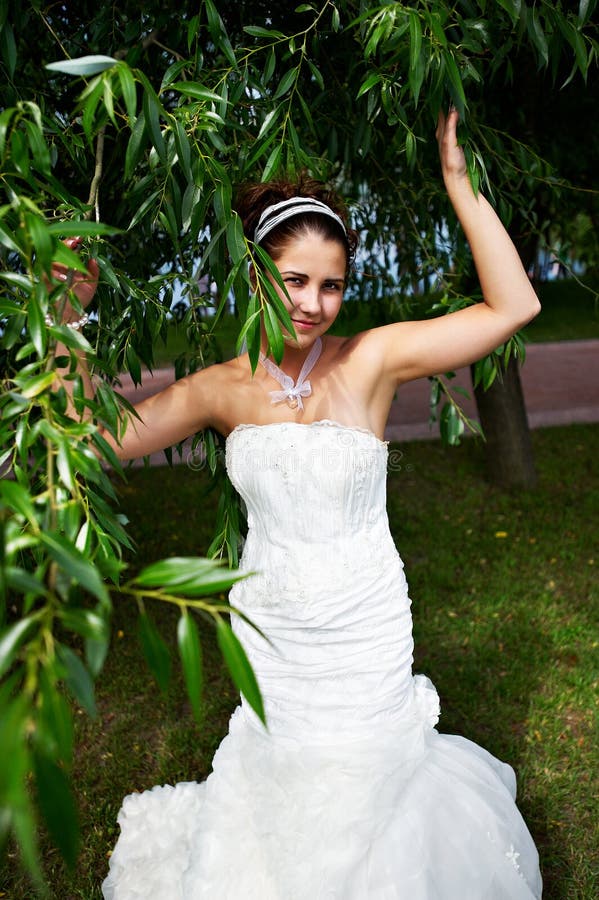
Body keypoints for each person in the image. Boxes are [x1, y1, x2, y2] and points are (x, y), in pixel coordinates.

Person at [52, 109, 543, 898]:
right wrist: (68, 312)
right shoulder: (218, 388)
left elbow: (511, 309)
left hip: (364, 627)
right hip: (275, 635)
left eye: (332, 284)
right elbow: (88, 437)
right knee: (285, 782)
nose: (314, 302)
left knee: (373, 780)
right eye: (295, 279)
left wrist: (459, 186)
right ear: (255, 274)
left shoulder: (371, 362)